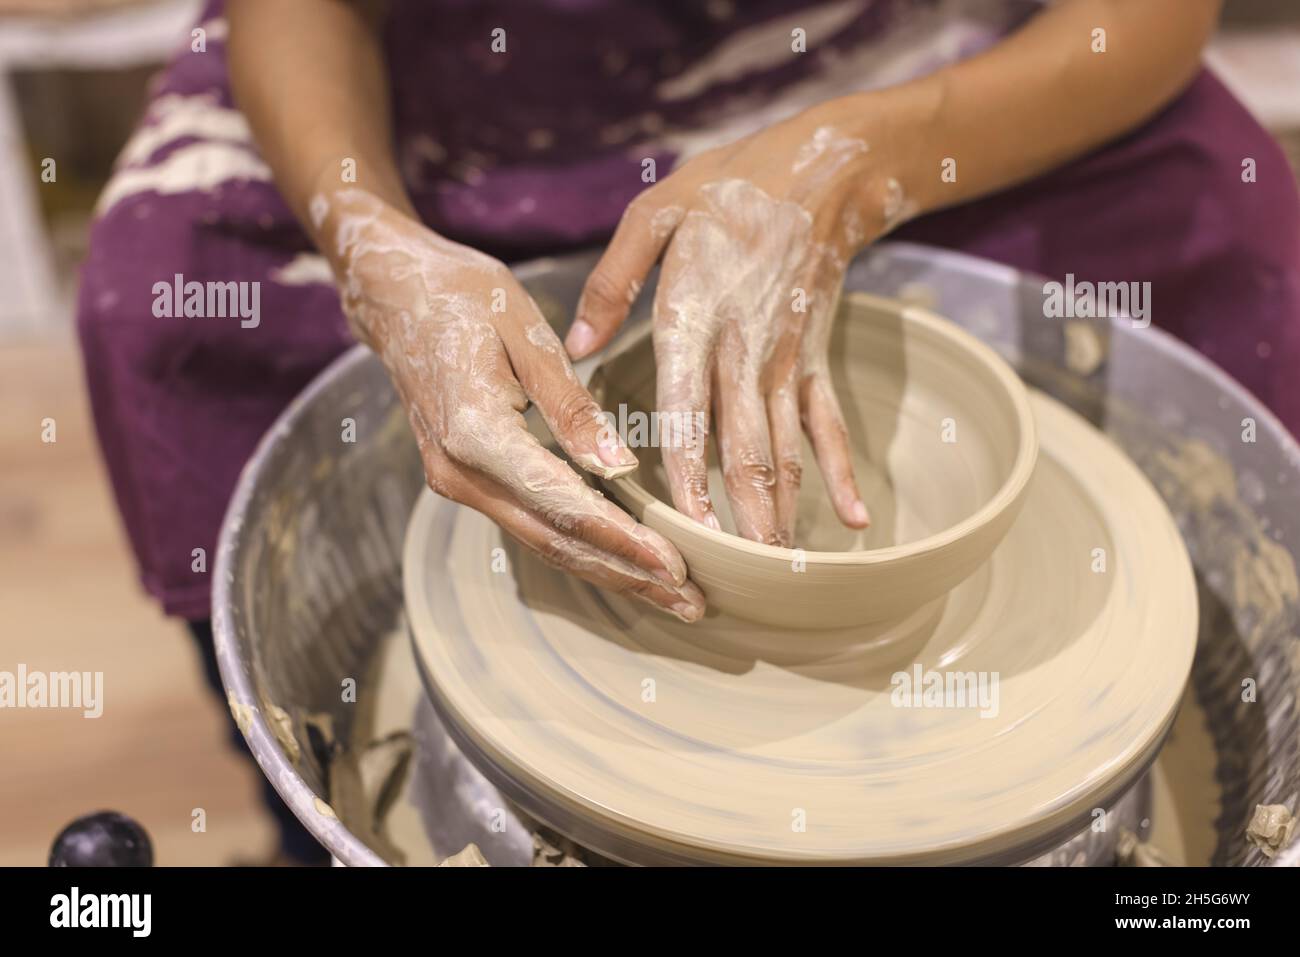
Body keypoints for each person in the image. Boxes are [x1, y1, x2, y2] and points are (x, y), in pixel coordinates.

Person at [77, 0, 1294, 864]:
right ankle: (319, 821)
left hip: (892, 59)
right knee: (162, 313)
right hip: (461, 70)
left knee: (1240, 265)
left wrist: (858, 161)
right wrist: (370, 240)